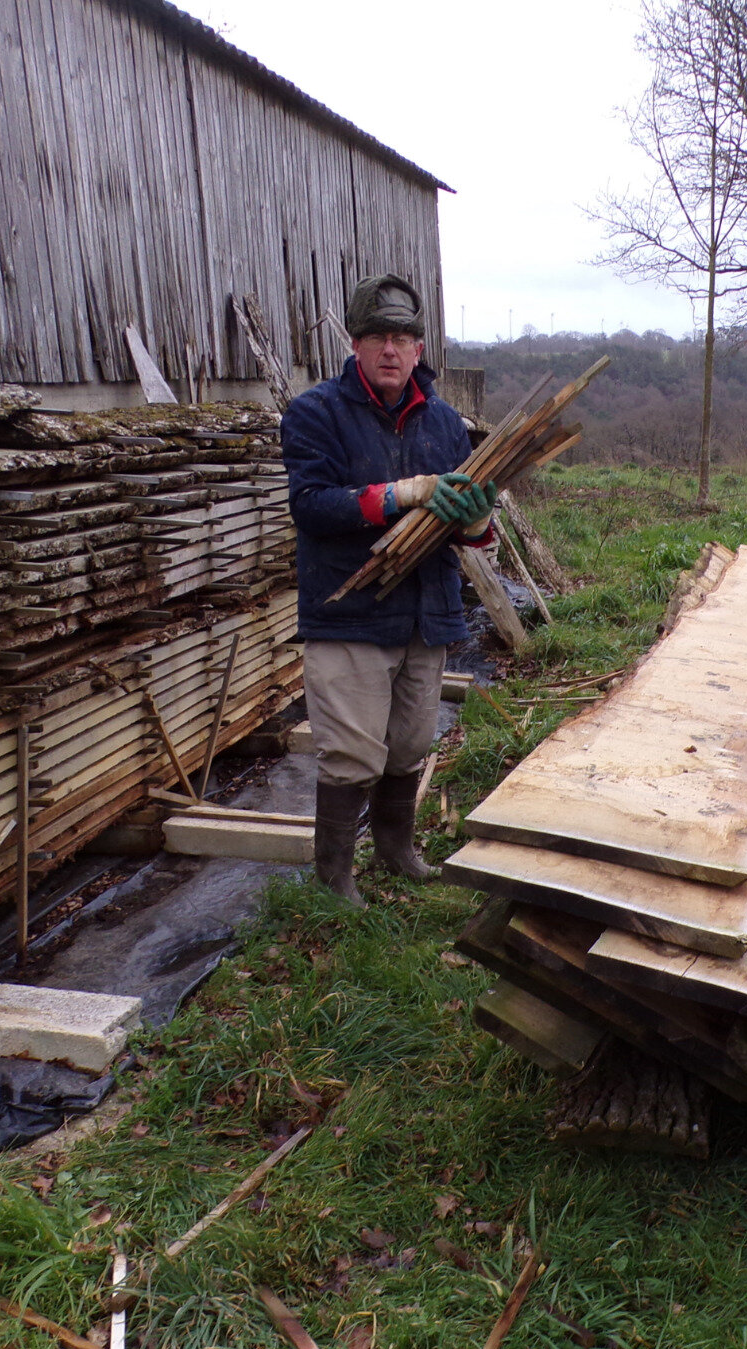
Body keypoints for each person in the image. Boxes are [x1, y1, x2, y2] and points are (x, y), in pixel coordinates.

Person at [280, 274, 495, 905]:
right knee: (350, 753)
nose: (391, 350)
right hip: (348, 613)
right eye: (378, 337)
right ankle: (336, 876)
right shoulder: (315, 413)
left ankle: (397, 850)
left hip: (426, 613)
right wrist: (404, 494)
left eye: (403, 337)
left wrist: (477, 520)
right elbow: (311, 506)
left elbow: (465, 535)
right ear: (355, 343)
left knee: (410, 742)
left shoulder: (445, 422)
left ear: (421, 347)